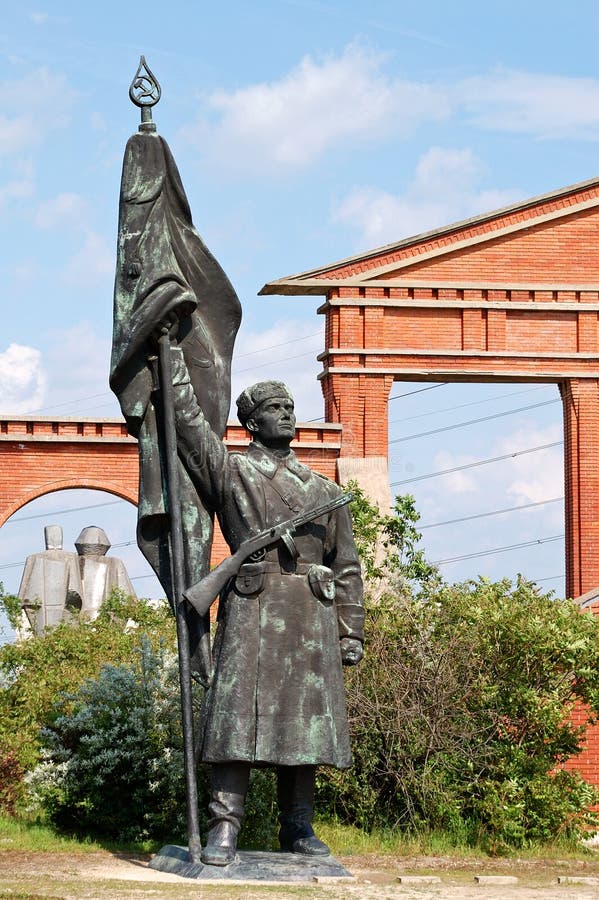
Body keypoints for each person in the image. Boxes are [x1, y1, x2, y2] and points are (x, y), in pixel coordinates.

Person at [170, 349, 364, 866]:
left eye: (291, 406)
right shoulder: (233, 470)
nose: (288, 414)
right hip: (253, 608)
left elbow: (346, 567)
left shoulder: (326, 491)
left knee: (305, 728)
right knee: (237, 720)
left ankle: (298, 828)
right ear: (251, 422)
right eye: (275, 408)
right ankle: (224, 828)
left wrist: (351, 632)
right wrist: (169, 358)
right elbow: (188, 426)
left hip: (311, 614)